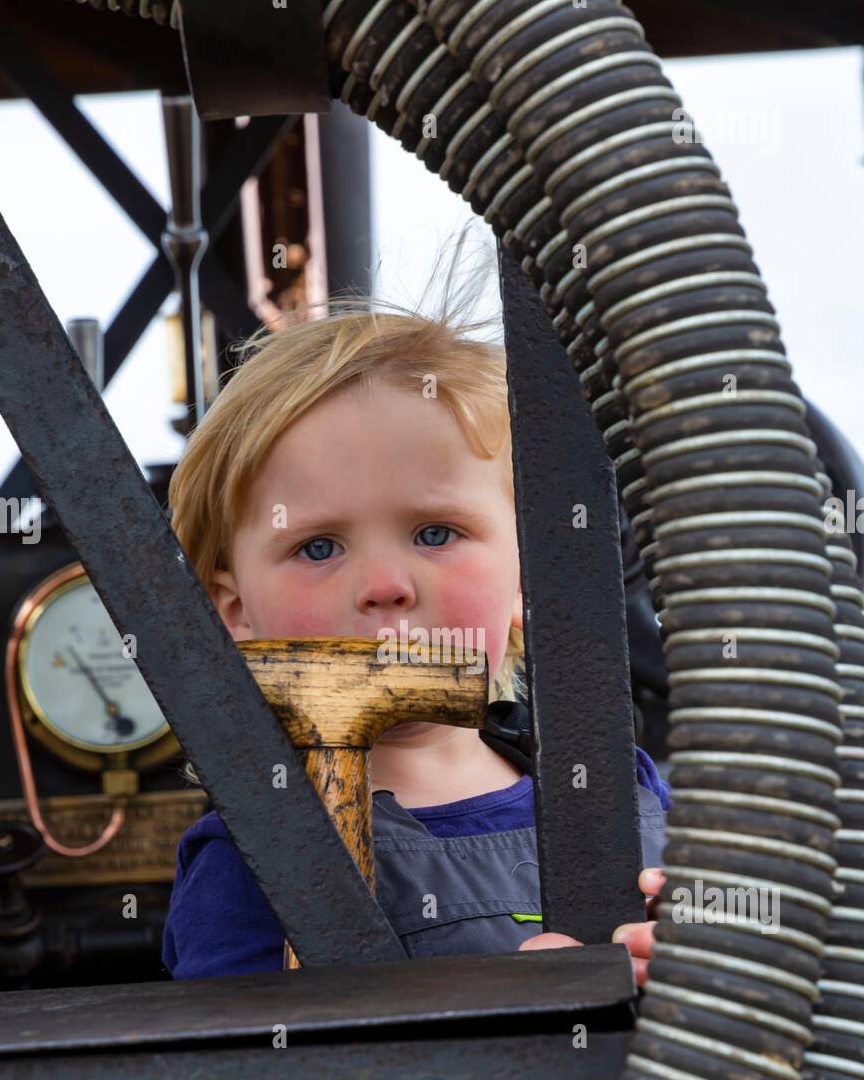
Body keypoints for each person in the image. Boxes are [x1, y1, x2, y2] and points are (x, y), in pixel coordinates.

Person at [161, 247, 668, 984]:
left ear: (534, 574)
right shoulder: (252, 860)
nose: (385, 584)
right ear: (234, 612)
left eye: (436, 533)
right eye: (318, 546)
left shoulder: (627, 793)